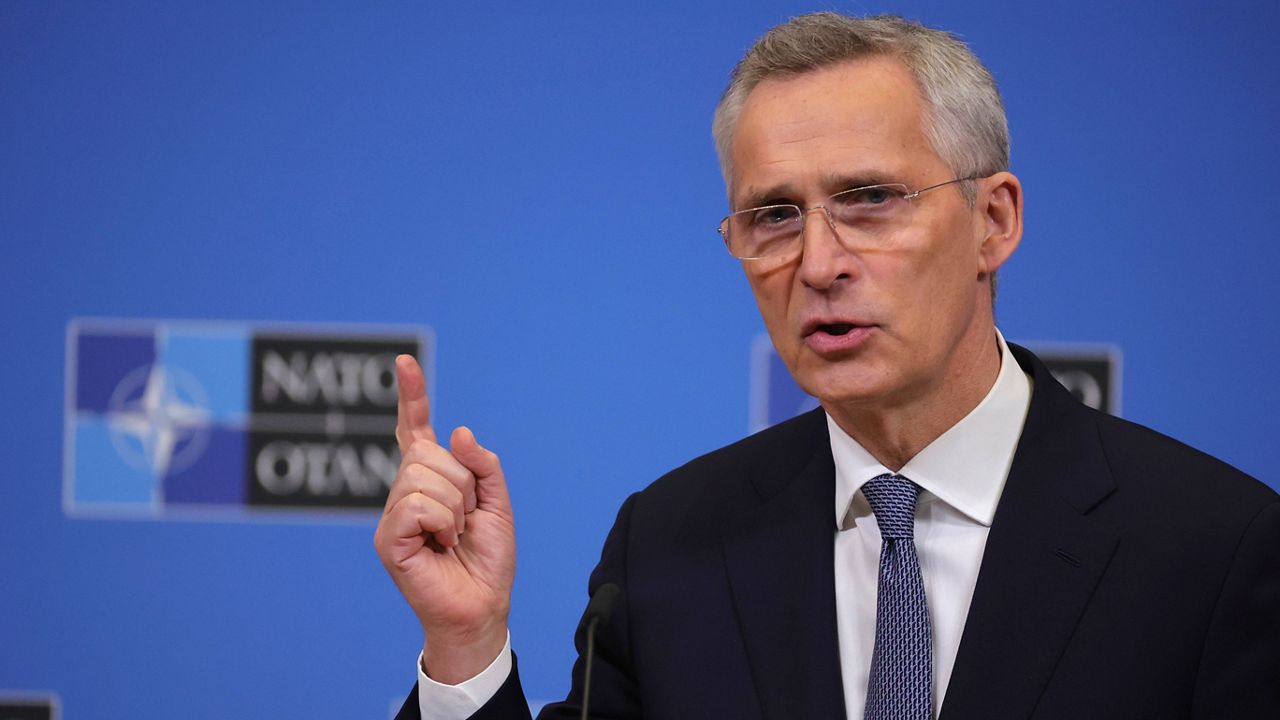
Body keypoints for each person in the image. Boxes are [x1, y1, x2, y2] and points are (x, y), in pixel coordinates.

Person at [375, 13, 1280, 720]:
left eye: (871, 199)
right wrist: (467, 645)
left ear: (993, 222)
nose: (817, 263)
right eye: (773, 216)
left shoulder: (1216, 551)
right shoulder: (667, 549)